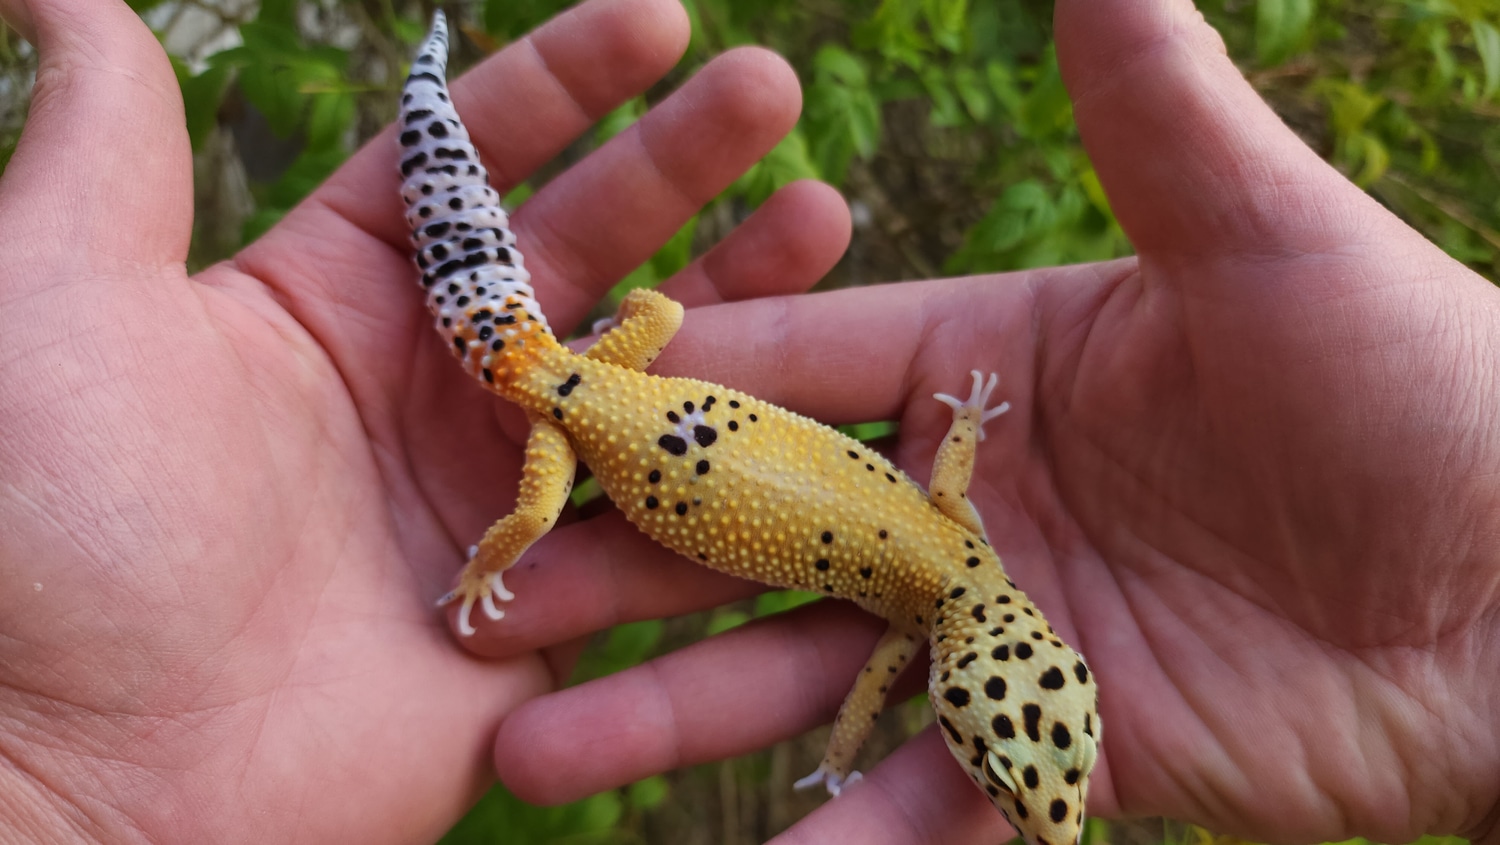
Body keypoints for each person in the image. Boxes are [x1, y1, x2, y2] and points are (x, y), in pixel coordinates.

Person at [2, 0, 1497, 841]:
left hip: (622, 366)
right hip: (569, 421)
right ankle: (434, 137)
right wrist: (497, 552)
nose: (1030, 802)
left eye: (1016, 781)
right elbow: (872, 667)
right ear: (1016, 673)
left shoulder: (954, 548)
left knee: (544, 298)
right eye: (1026, 772)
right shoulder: (931, 596)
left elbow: (944, 479)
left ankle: (434, 117)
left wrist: (963, 414)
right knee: (520, 499)